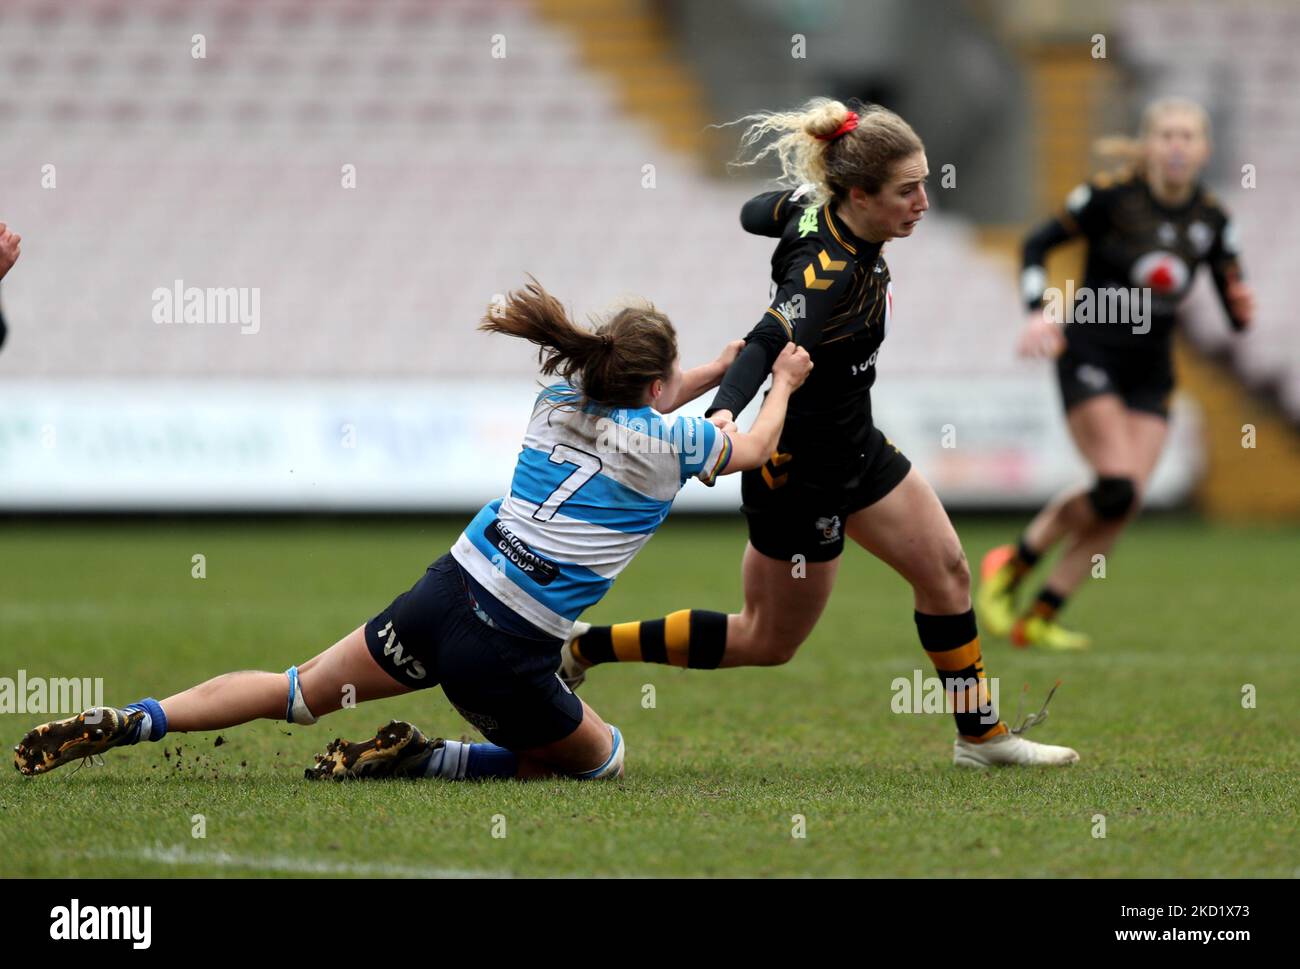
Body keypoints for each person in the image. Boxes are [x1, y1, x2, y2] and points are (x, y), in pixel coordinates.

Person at [13, 279, 812, 781]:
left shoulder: (555, 407)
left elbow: (637, 408)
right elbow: (752, 444)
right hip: (507, 649)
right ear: (653, 384)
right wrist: (779, 381)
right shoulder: (673, 444)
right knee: (602, 759)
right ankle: (430, 758)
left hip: (444, 593)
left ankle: (139, 718)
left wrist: (707, 368)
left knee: (295, 690)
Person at [559, 98, 1079, 768]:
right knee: (766, 640)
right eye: (907, 190)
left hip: (856, 444)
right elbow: (768, 337)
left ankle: (980, 737)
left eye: (924, 182)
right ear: (859, 195)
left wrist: (804, 200)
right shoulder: (826, 272)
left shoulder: (825, 214)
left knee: (947, 570)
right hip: (797, 469)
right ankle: (583, 646)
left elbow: (754, 213)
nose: (925, 200)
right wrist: (727, 409)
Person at [977, 97, 1254, 651]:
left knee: (1122, 500)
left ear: (1204, 149)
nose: (1176, 145)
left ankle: (1041, 614)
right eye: (1167, 135)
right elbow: (1037, 243)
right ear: (1148, 145)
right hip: (1091, 351)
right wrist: (1037, 310)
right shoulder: (1109, 198)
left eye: (1187, 136)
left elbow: (1233, 301)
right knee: (1118, 483)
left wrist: (1241, 306)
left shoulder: (1213, 220)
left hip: (1150, 367)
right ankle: (1013, 562)